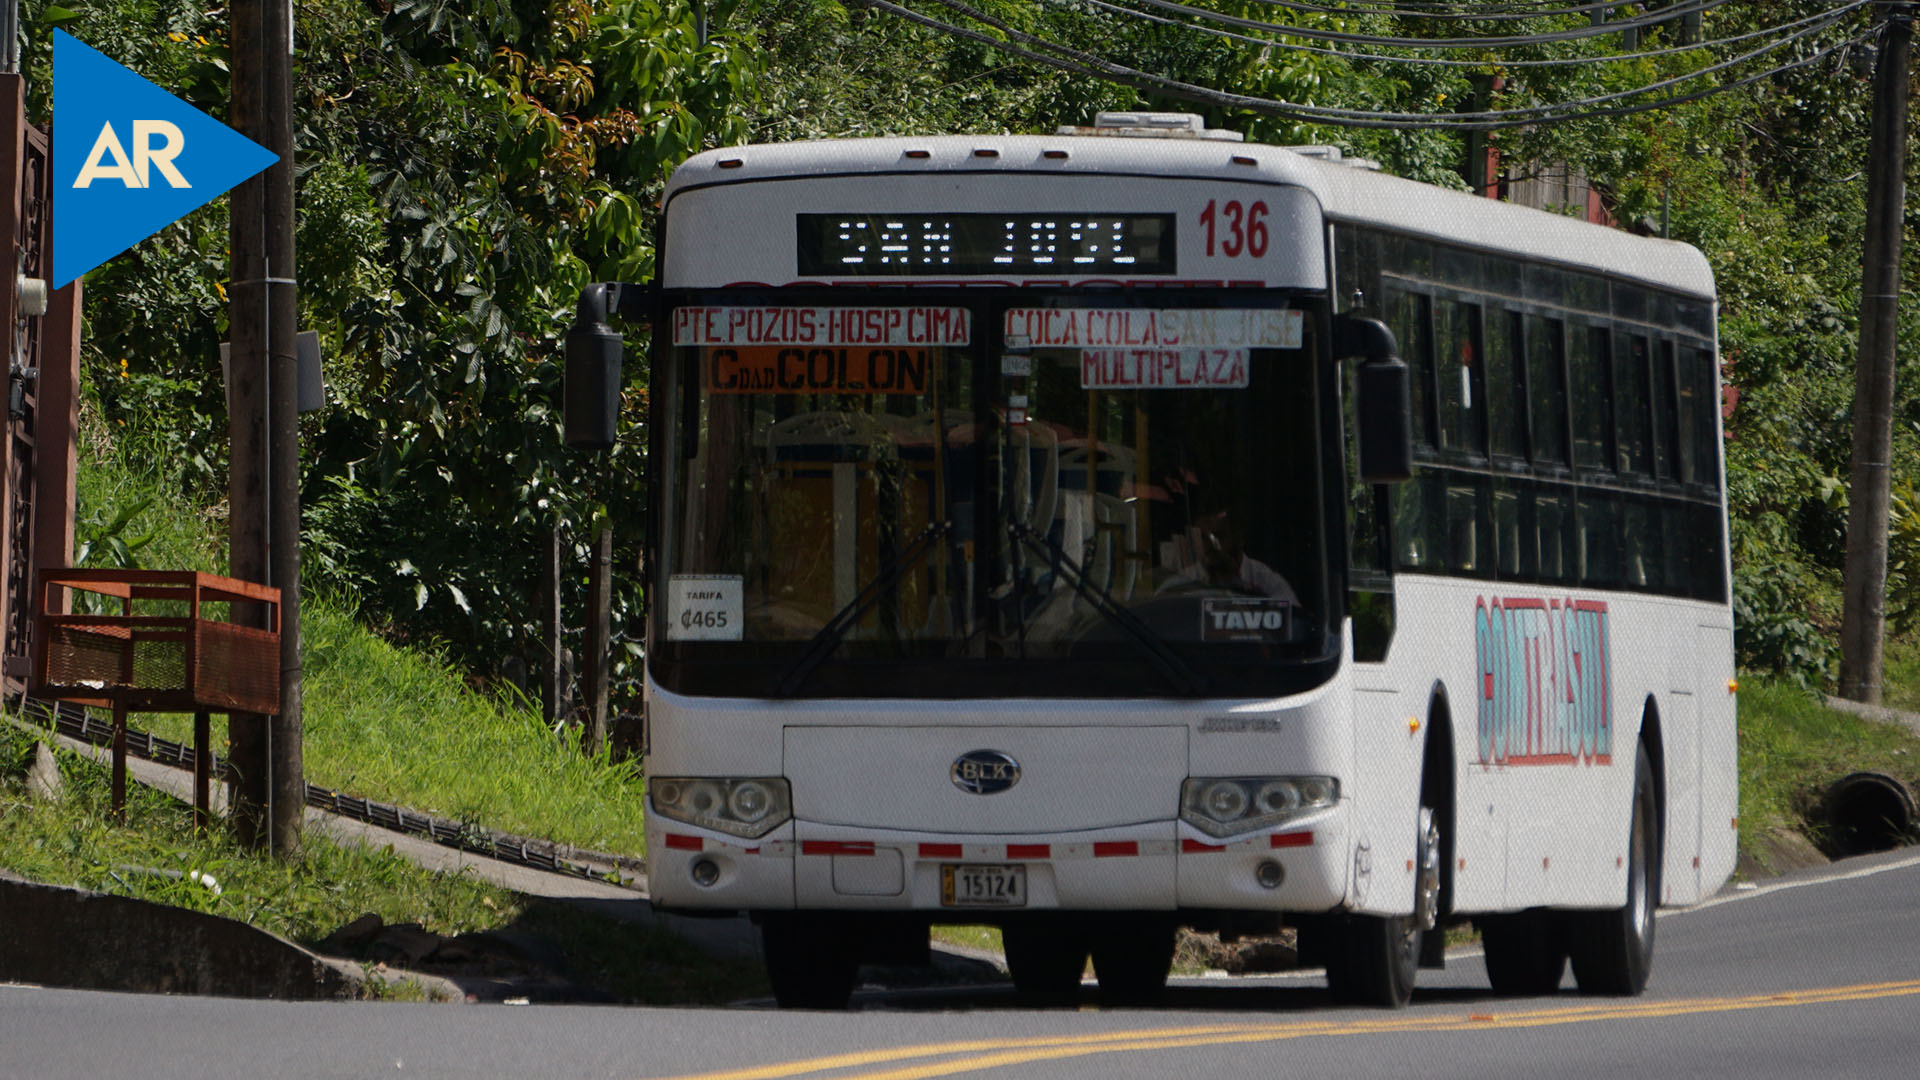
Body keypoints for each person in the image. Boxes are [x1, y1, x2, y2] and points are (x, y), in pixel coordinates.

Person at [1159, 509, 1299, 604]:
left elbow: (1293, 625)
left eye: (1218, 536)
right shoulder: (1181, 585)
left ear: (1239, 538)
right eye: (1203, 538)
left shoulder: (1267, 584)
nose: (1211, 545)